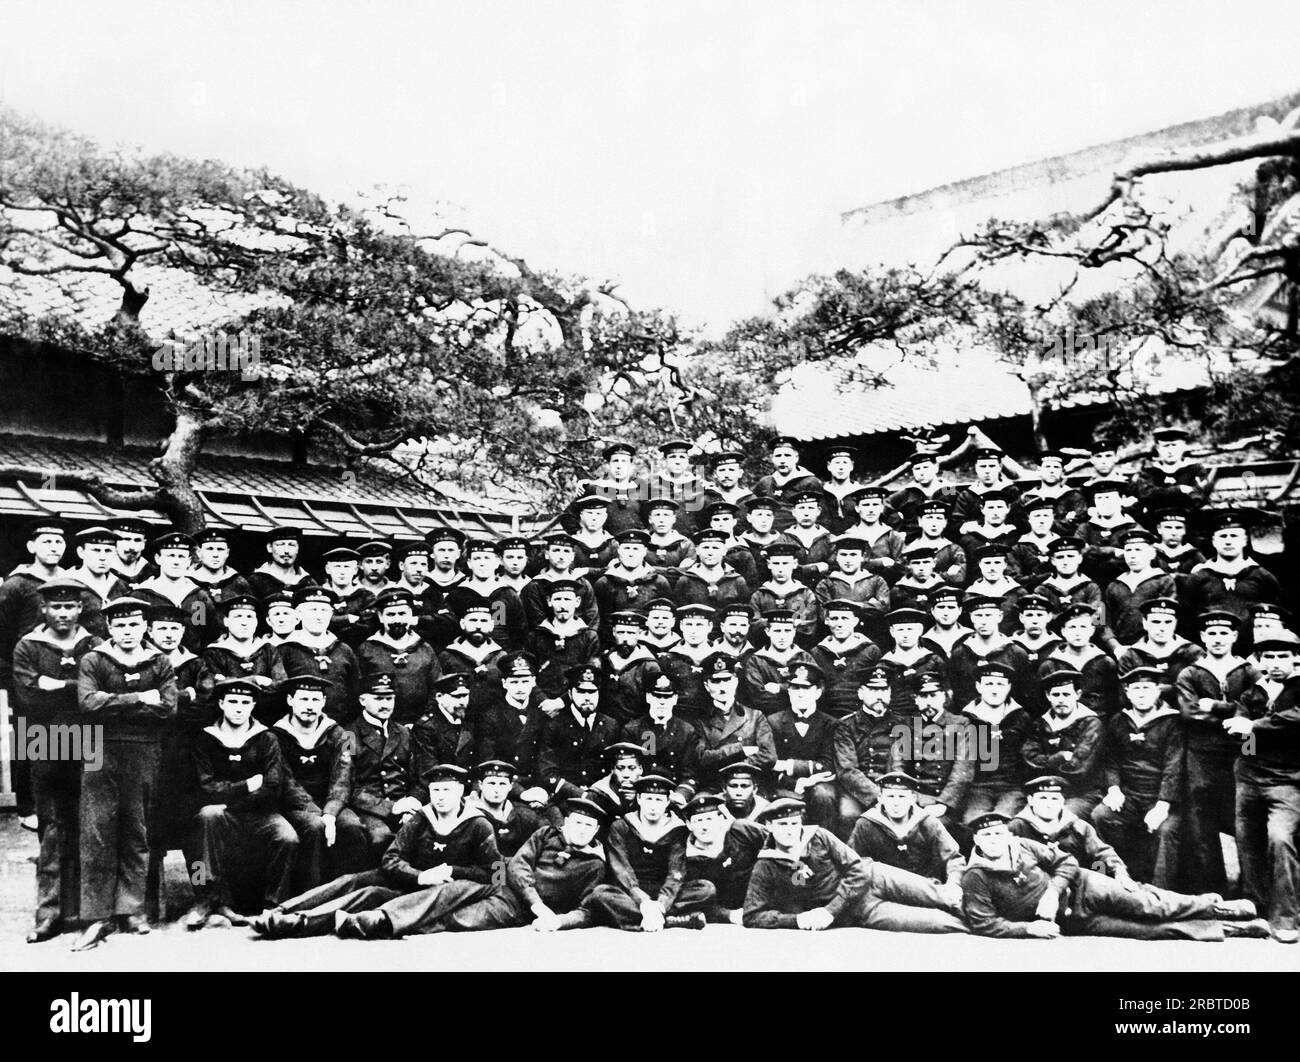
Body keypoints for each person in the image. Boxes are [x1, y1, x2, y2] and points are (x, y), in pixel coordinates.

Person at [259, 764, 501, 940]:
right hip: (413, 880)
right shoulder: (421, 818)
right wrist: (419, 876)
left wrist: (452, 871)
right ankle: (282, 910)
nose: (440, 797)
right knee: (352, 880)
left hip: (438, 893)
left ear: (460, 791)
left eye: (447, 790)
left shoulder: (478, 824)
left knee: (370, 894)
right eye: (435, 790)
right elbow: (391, 859)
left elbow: (495, 875)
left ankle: (298, 923)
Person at [961, 812, 1264, 940]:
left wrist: (1052, 892)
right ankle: (1230, 929)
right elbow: (984, 923)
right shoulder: (975, 876)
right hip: (1072, 920)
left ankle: (1217, 906)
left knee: (1150, 906)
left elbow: (1066, 861)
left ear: (1008, 834)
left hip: (1086, 886)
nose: (994, 840)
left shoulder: (1023, 845)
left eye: (999, 834)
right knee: (1146, 931)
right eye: (986, 836)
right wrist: (1029, 928)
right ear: (976, 840)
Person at [73, 596, 177, 951]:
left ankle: (131, 910)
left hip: (144, 750)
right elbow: (88, 704)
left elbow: (167, 709)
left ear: (145, 626)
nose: (127, 631)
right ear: (109, 627)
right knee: (97, 831)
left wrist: (113, 702)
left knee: (137, 828)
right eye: (120, 625)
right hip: (99, 749)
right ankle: (96, 915)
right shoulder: (95, 659)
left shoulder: (159, 662)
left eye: (134, 624)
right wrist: (139, 698)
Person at [13, 577, 100, 942]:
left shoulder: (94, 645)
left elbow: (99, 694)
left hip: (89, 739)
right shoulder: (27, 646)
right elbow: (29, 696)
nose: (63, 613)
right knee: (51, 827)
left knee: (88, 824)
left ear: (80, 609)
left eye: (69, 607)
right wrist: (76, 690)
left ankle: (85, 910)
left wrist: (58, 685)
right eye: (56, 607)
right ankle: (49, 913)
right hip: (42, 739)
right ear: (44, 609)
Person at [743, 797, 967, 933]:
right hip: (859, 910)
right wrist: (797, 920)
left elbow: (857, 868)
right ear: (769, 825)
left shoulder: (819, 836)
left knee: (943, 896)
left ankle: (983, 913)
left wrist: (830, 911)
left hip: (875, 877)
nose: (790, 830)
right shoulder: (766, 864)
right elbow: (752, 915)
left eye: (794, 823)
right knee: (937, 923)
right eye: (782, 825)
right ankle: (980, 925)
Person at [187, 678, 303, 928]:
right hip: (222, 813)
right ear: (221, 704)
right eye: (233, 702)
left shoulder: (267, 738)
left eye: (244, 703)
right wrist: (246, 785)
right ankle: (206, 898)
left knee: (287, 837)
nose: (238, 708)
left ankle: (274, 905)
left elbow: (272, 785)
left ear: (252, 706)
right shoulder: (205, 739)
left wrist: (233, 801)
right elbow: (205, 787)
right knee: (207, 816)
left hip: (259, 812)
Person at [1175, 610, 1258, 896]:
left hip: (1242, 752)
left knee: (1244, 818)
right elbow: (1189, 713)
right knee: (1201, 822)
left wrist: (1216, 706)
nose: (1218, 638)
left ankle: (1251, 892)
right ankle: (1211, 892)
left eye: (1224, 633)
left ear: (1234, 636)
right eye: (1212, 633)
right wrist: (1233, 713)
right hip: (1201, 754)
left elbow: (1256, 710)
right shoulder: (1191, 673)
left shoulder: (1249, 671)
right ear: (1202, 637)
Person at [1226, 632, 1300, 943]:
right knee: (1248, 842)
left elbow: (1294, 719)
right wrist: (1248, 735)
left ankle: (1286, 917)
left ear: (1296, 658)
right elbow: (1240, 732)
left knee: (1280, 838)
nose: (1276, 663)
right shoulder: (1252, 692)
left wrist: (1254, 727)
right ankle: (1256, 910)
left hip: (1287, 779)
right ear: (1259, 660)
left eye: (1283, 656)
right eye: (1269, 657)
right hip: (1250, 777)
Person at [1091, 666, 1185, 888]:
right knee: (1100, 816)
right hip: (1130, 795)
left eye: (1147, 688)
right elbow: (1111, 761)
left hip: (1161, 798)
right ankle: (1105, 883)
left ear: (1158, 691)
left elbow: (1174, 767)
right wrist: (1114, 789)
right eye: (1136, 689)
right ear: (1127, 693)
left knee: (1166, 830)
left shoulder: (1173, 722)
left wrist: (1162, 806)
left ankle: (1158, 894)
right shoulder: (1119, 721)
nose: (1141, 694)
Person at [582, 774, 713, 931]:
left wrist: (662, 903)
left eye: (658, 800)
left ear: (667, 802)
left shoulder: (677, 830)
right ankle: (670, 920)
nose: (653, 806)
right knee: (600, 893)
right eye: (648, 799)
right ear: (639, 799)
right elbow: (621, 869)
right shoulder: (621, 826)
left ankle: (648, 918)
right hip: (631, 891)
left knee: (705, 889)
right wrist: (643, 901)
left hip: (664, 891)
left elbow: (676, 872)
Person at [273, 674, 368, 885]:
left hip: (331, 803)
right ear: (290, 700)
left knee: (352, 827)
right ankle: (311, 893)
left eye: (315, 700)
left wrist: (330, 814)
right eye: (304, 699)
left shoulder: (342, 734)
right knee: (314, 826)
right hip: (295, 805)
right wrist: (317, 813)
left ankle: (350, 891)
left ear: (324, 702)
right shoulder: (275, 736)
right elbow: (286, 782)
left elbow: (343, 776)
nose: (310, 706)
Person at [847, 773, 964, 903]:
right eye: (890, 796)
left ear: (913, 798)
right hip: (885, 894)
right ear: (880, 798)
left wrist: (954, 884)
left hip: (925, 891)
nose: (896, 803)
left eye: (902, 797)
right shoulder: (866, 824)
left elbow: (953, 858)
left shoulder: (927, 822)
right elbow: (854, 862)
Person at [344, 673, 423, 861]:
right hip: (369, 809)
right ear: (362, 700)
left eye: (389, 699)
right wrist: (391, 808)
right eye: (379, 699)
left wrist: (411, 804)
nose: (386, 704)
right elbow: (347, 786)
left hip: (404, 806)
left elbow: (418, 778)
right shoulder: (348, 735)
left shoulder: (403, 732)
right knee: (382, 838)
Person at [1021, 669, 1104, 816]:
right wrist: (1060, 757)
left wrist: (1045, 763)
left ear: (1077, 694)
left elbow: (1079, 769)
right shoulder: (1040, 724)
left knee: (1059, 817)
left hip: (1080, 793)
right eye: (1055, 695)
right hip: (1043, 792)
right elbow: (1028, 759)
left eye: (1066, 694)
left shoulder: (1091, 724)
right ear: (1048, 696)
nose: (1061, 700)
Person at [959, 660, 1033, 825]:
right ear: (978, 687)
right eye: (989, 684)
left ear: (1009, 687)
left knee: (1005, 821)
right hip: (978, 788)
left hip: (1012, 788)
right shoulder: (965, 718)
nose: (994, 690)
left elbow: (1029, 756)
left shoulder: (1021, 717)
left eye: (1000, 684)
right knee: (973, 822)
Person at [831, 666, 902, 837]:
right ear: (861, 693)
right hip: (856, 790)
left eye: (884, 690)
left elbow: (900, 764)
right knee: (849, 815)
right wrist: (878, 796)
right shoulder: (845, 726)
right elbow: (847, 770)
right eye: (873, 690)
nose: (879, 696)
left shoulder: (901, 724)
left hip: (892, 789)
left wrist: (891, 795)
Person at [357, 587, 443, 725]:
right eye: (391, 615)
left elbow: (437, 688)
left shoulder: (424, 648)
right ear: (380, 617)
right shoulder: (367, 649)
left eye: (402, 613)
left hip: (420, 725)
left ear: (411, 615)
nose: (397, 619)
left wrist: (423, 722)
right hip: (380, 724)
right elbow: (358, 691)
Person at [1182, 508, 1281, 625]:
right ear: (1213, 541)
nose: (1228, 541)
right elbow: (1187, 617)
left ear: (1245, 540)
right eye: (1223, 536)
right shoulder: (1198, 577)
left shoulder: (1262, 576)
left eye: (1234, 536)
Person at [767, 662, 837, 826]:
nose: (800, 694)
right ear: (789, 691)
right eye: (795, 688)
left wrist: (789, 765)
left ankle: (823, 839)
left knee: (823, 796)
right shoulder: (774, 721)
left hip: (820, 783)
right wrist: (799, 783)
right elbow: (770, 764)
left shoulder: (830, 724)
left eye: (806, 688)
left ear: (818, 692)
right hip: (785, 784)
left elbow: (828, 765)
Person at [278, 583, 360, 723]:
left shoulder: (344, 650)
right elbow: (278, 696)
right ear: (298, 614)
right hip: (298, 727)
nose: (319, 616)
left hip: (340, 726)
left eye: (324, 610)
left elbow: (355, 692)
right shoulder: (285, 650)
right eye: (313, 610)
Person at [538, 664, 621, 800]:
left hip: (602, 797)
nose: (587, 697)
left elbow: (617, 768)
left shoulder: (611, 726)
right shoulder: (555, 726)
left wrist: (597, 793)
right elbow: (547, 773)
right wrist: (580, 795)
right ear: (570, 694)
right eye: (581, 692)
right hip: (566, 798)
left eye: (592, 692)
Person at [198, 594, 284, 725]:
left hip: (266, 718)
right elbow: (211, 690)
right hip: (226, 721)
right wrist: (256, 680)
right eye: (238, 616)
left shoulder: (268, 650)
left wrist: (228, 681)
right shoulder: (213, 652)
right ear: (226, 621)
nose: (244, 622)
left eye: (249, 617)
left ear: (256, 622)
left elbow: (281, 685)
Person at [681, 793, 767, 924]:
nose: (705, 827)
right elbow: (700, 901)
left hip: (761, 899)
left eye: (709, 819)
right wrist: (728, 915)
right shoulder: (688, 858)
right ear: (689, 825)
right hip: (732, 911)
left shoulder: (741, 830)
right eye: (698, 821)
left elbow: (778, 844)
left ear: (721, 819)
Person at [696, 652, 777, 788]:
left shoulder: (755, 716)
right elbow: (702, 759)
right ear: (706, 686)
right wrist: (742, 750)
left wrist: (727, 764)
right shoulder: (700, 721)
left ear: (736, 682)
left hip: (750, 785)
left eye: (727, 680)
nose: (722, 687)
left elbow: (769, 756)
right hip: (716, 786)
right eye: (715, 681)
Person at [619, 671, 702, 798]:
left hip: (672, 794)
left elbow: (689, 775)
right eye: (657, 696)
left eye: (667, 697)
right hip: (642, 793)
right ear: (648, 697)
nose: (662, 702)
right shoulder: (632, 730)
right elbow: (627, 769)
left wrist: (680, 795)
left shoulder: (687, 731)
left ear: (675, 699)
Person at [131, 532, 218, 652]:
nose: (176, 562)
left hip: (191, 660)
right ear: (158, 559)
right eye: (171, 556)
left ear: (188, 561)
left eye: (181, 556)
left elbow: (208, 635)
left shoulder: (199, 597)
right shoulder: (141, 596)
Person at [523, 578, 602, 700]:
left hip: (575, 700)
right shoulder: (536, 636)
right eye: (557, 599)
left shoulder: (589, 637)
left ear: (577, 602)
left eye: (567, 599)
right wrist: (542, 699)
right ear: (549, 601)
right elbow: (528, 674)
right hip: (542, 702)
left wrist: (563, 701)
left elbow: (592, 675)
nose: (562, 605)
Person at [809, 599, 882, 719]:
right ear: (826, 621)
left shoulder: (871, 651)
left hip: (861, 717)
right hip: (826, 717)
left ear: (855, 621)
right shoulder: (817, 653)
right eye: (834, 618)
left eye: (845, 618)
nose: (839, 624)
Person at [1103, 528, 1177, 645]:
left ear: (1152, 554)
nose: (1132, 555)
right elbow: (1102, 621)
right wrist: (1115, 646)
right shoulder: (1114, 585)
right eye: (1128, 550)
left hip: (1151, 646)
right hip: (1120, 647)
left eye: (1138, 550)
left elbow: (1166, 619)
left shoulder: (1163, 581)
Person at [739, 608, 815, 715]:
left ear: (794, 631)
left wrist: (780, 688)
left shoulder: (804, 657)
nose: (782, 636)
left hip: (802, 716)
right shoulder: (756, 660)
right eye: (777, 631)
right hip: (768, 718)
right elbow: (758, 697)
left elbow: (816, 688)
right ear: (768, 631)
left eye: (787, 631)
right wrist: (797, 698)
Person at [465, 759, 543, 858]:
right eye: (491, 783)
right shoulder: (466, 813)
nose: (497, 790)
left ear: (510, 786)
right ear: (480, 785)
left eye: (502, 784)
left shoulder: (523, 816)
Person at [411, 671, 477, 784]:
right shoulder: (426, 728)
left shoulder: (469, 721)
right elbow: (428, 773)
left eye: (465, 696)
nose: (462, 702)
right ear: (439, 697)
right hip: (442, 788)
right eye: (457, 696)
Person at [600, 610, 663, 726]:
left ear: (639, 634)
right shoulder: (605, 659)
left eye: (630, 633)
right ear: (613, 632)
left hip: (635, 727)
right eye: (621, 632)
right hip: (606, 726)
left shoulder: (649, 666)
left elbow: (654, 703)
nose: (625, 638)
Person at [65, 526, 129, 638]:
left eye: (108, 551)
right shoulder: (67, 584)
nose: (102, 557)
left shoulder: (121, 585)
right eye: (96, 550)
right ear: (81, 552)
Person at [751, 436, 823, 531]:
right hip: (768, 533)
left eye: (787, 455)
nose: (782, 460)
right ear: (772, 458)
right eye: (778, 456)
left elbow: (821, 516)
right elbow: (753, 511)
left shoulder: (810, 482)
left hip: (797, 533)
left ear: (796, 458)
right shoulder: (765, 482)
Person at [188, 528, 252, 610]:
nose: (215, 555)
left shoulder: (239, 583)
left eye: (220, 549)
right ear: (199, 553)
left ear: (227, 553)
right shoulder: (188, 582)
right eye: (210, 549)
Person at [246, 526, 316, 600]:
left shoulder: (308, 582)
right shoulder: (256, 581)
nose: (286, 551)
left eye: (291, 545)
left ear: (298, 548)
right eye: (280, 545)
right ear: (269, 548)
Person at [107, 517, 156, 589]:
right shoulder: (103, 571)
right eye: (126, 539)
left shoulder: (153, 572)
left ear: (143, 544)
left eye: (137, 540)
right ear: (114, 542)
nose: (132, 547)